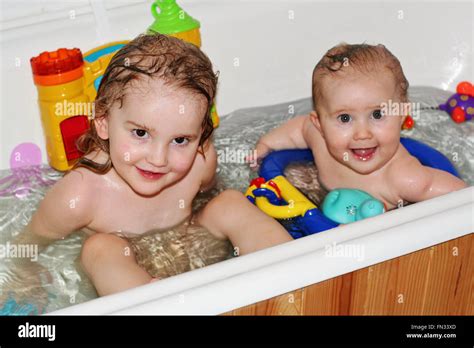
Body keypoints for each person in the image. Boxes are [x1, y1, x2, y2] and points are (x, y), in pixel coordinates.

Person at [253, 43, 466, 210]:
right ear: (320, 124)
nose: (362, 134)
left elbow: (463, 199)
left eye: (377, 114)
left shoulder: (404, 178)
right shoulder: (319, 139)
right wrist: (265, 145)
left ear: (402, 114)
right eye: (345, 118)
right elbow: (299, 129)